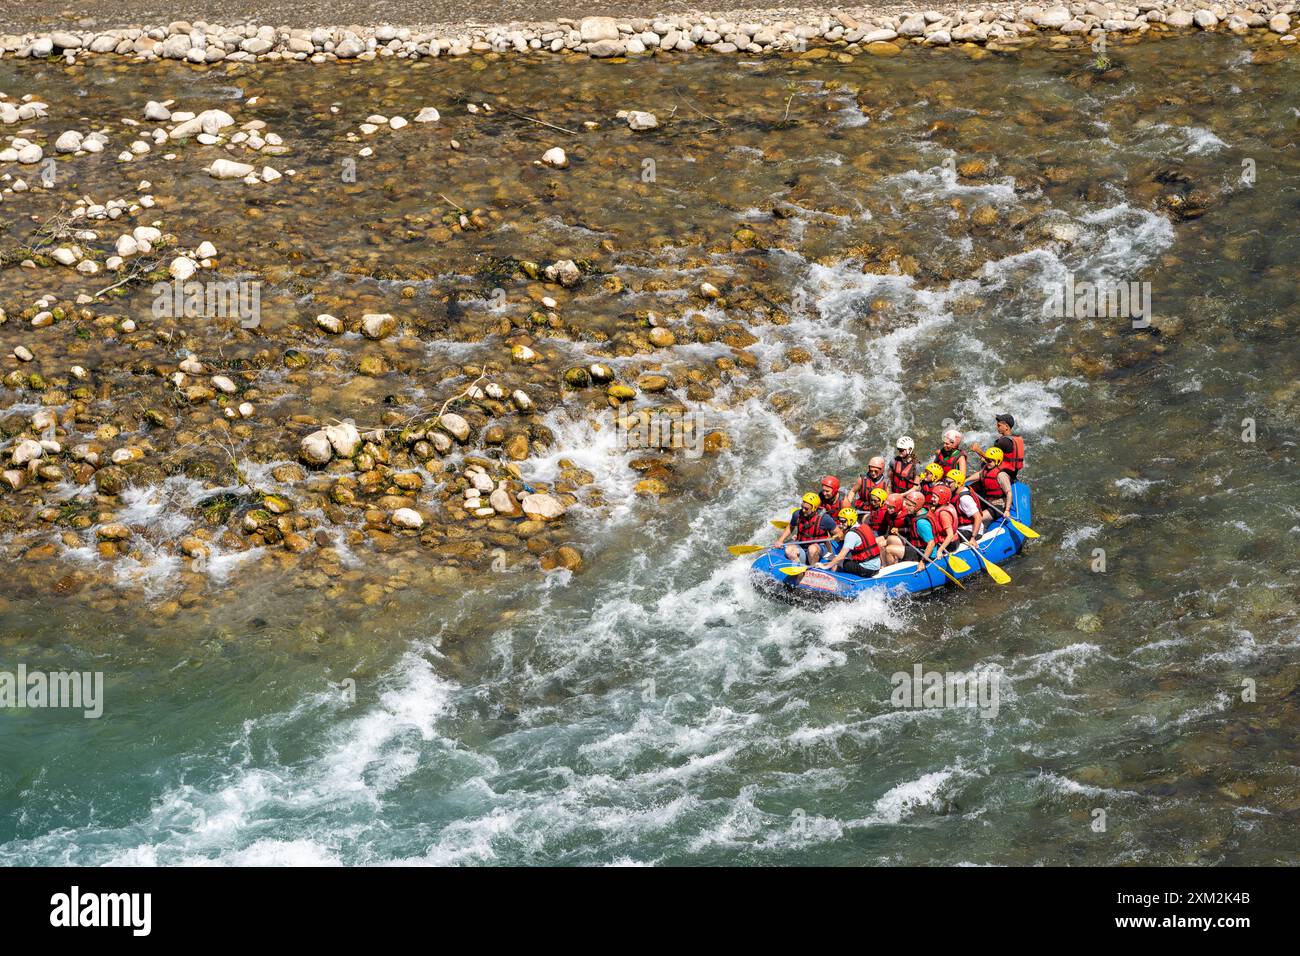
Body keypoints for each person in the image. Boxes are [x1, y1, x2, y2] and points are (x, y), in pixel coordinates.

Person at [775, 492, 836, 567]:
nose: (803, 510)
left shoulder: (825, 519)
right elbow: (791, 527)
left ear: (814, 508)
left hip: (820, 548)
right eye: (802, 507)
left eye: (806, 509)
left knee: (812, 549)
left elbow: (839, 533)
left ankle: (813, 568)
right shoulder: (797, 514)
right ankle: (798, 568)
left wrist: (836, 536)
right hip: (802, 544)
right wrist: (781, 540)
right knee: (789, 550)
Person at [818, 507, 882, 577]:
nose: (840, 524)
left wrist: (825, 566)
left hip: (866, 570)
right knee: (841, 558)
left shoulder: (851, 534)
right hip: (877, 566)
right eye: (839, 520)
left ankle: (833, 577)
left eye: (843, 521)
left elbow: (840, 557)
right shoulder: (864, 526)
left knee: (834, 558)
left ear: (851, 521)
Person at [971, 414, 1025, 483]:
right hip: (1013, 473)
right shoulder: (1017, 438)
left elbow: (991, 462)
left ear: (1006, 427)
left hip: (1002, 474)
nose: (997, 427)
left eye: (999, 425)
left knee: (983, 464)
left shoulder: (1002, 442)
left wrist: (978, 451)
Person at [974, 446, 1014, 524]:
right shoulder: (988, 467)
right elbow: (980, 474)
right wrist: (965, 480)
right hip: (988, 500)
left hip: (999, 505)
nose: (986, 462)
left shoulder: (1001, 475)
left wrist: (1007, 510)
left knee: (977, 519)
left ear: (997, 461)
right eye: (986, 459)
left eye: (989, 460)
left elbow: (1009, 493)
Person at [899, 489, 937, 563]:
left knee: (889, 549)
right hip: (917, 547)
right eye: (906, 504)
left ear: (917, 506)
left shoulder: (921, 522)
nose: (905, 507)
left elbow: (931, 543)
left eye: (909, 505)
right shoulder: (923, 510)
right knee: (891, 539)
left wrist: (922, 561)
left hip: (925, 553)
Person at [946, 469, 984, 540]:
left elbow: (978, 517)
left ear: (958, 483)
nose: (947, 485)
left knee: (948, 539)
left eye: (949, 482)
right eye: (946, 481)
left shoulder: (964, 499)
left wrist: (973, 537)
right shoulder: (957, 493)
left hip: (970, 530)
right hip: (962, 528)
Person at [927, 485, 960, 561]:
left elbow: (950, 535)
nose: (932, 499)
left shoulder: (943, 514)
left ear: (942, 498)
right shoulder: (948, 505)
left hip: (950, 544)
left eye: (935, 497)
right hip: (954, 539)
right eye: (932, 496)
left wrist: (940, 550)